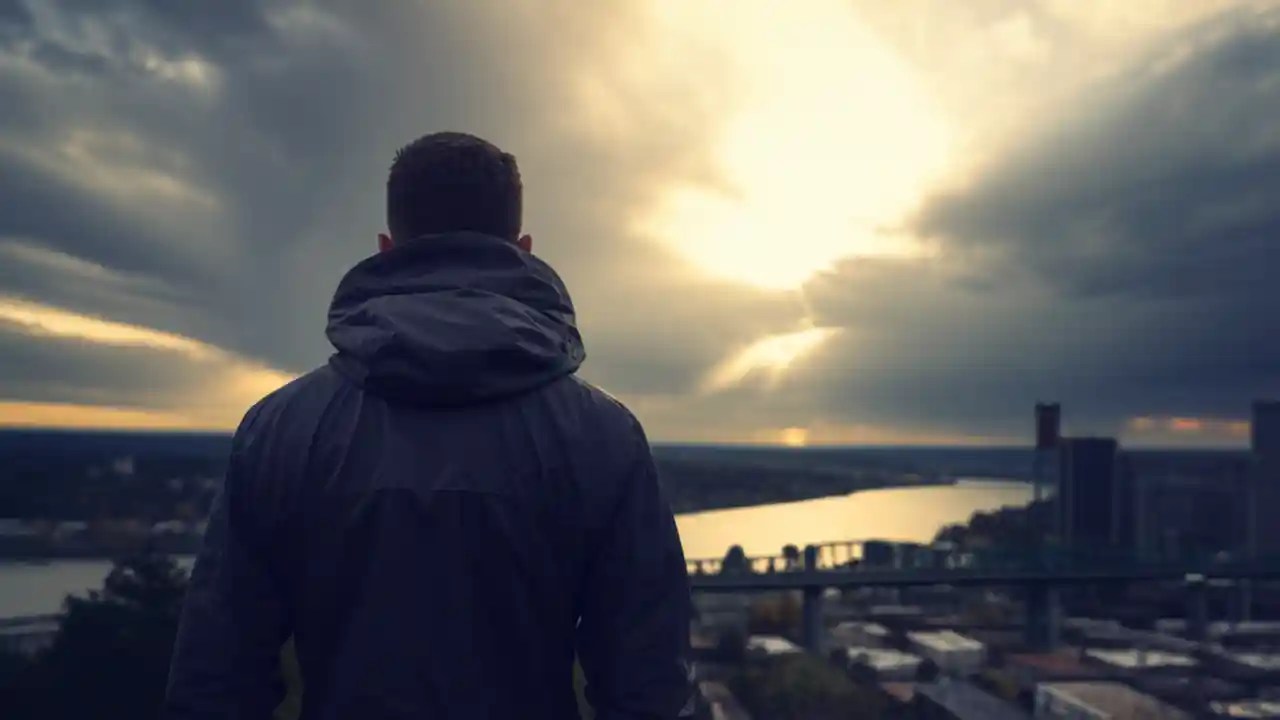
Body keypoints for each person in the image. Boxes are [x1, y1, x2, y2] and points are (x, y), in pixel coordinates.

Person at [164, 132, 693, 719]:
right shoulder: (604, 436)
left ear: (388, 248)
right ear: (522, 247)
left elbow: (215, 679)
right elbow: (648, 684)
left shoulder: (280, 429)